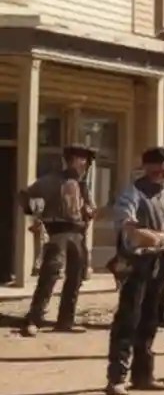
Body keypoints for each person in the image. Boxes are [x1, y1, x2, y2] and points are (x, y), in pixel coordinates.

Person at [104, 147, 164, 395]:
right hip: (136, 264)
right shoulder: (131, 194)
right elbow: (133, 232)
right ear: (148, 168)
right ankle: (117, 377)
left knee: (151, 319)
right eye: (160, 169)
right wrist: (161, 238)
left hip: (160, 264)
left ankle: (143, 375)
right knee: (129, 319)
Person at [18, 144, 97, 337]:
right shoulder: (52, 181)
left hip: (78, 234)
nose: (84, 163)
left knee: (76, 277)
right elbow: (25, 196)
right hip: (58, 232)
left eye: (86, 160)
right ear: (69, 160)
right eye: (80, 159)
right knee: (50, 275)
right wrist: (36, 215)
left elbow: (90, 208)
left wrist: (89, 211)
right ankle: (34, 319)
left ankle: (65, 320)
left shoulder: (83, 184)